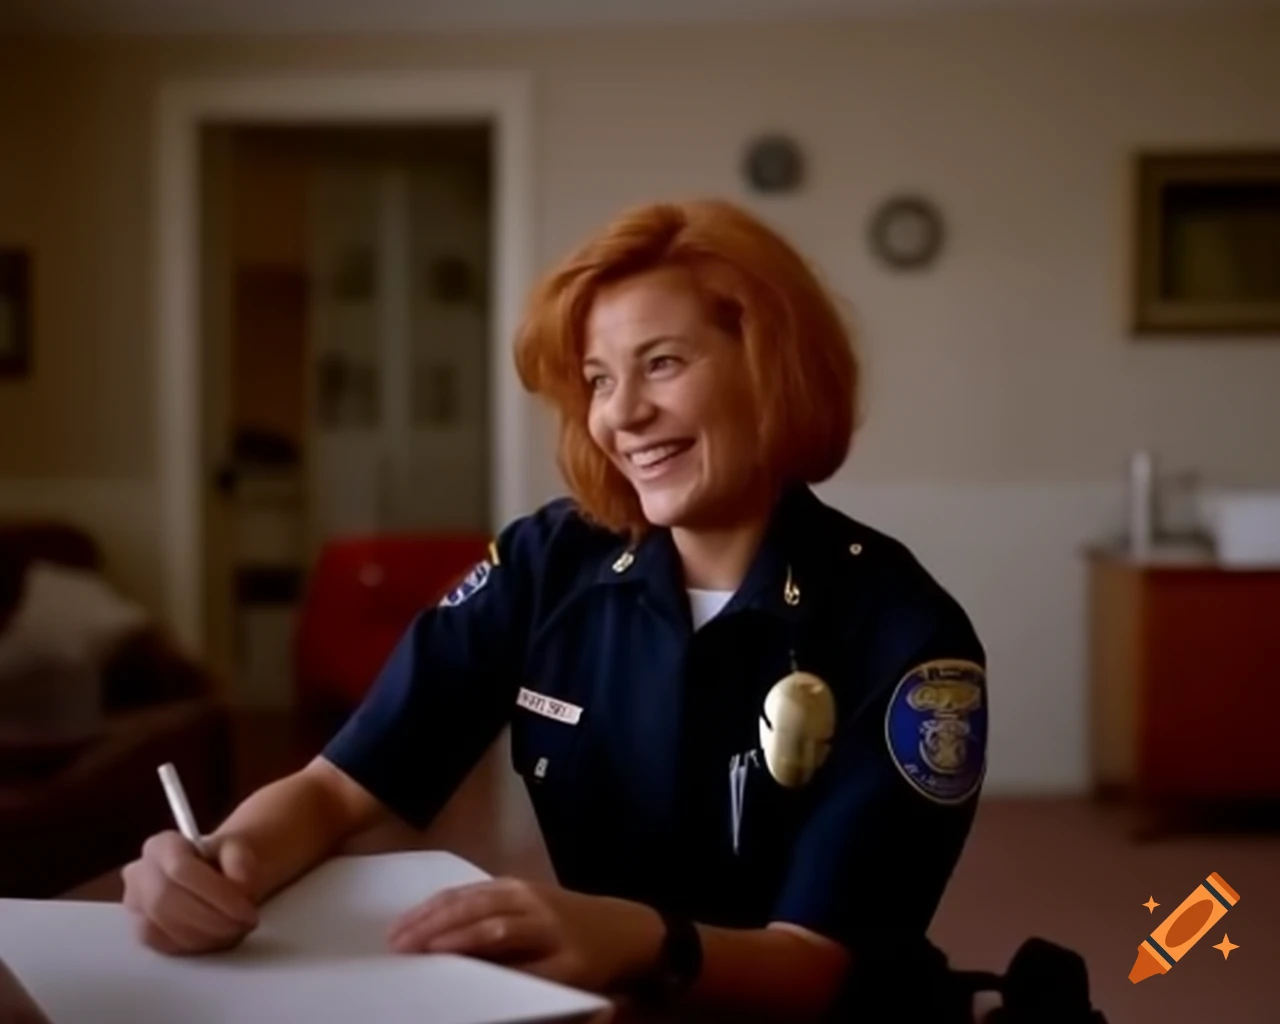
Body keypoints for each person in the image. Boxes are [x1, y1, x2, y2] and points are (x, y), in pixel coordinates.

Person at [122, 199, 987, 1021]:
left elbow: (818, 970)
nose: (622, 415)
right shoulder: (547, 563)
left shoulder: (907, 632)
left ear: (771, 365)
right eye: (598, 379)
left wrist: (638, 942)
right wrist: (224, 859)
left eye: (662, 363)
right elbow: (337, 788)